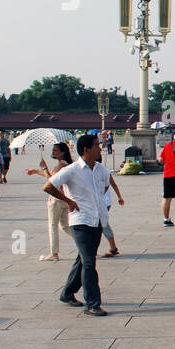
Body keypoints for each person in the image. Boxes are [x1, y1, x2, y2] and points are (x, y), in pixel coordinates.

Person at [43, 134, 111, 316]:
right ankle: (93, 303)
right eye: (96, 145)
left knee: (83, 258)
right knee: (89, 262)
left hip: (97, 221)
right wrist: (68, 201)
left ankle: (67, 293)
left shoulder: (101, 170)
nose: (100, 148)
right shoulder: (72, 170)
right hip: (80, 221)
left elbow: (104, 189)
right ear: (86, 149)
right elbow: (48, 186)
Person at [27, 141, 74, 261]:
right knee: (64, 226)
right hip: (64, 198)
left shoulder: (61, 165)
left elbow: (51, 181)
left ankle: (54, 253)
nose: (53, 152)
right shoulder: (66, 164)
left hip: (56, 199)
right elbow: (52, 176)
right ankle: (83, 242)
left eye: (56, 150)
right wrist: (37, 171)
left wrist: (44, 167)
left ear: (62, 152)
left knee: (53, 225)